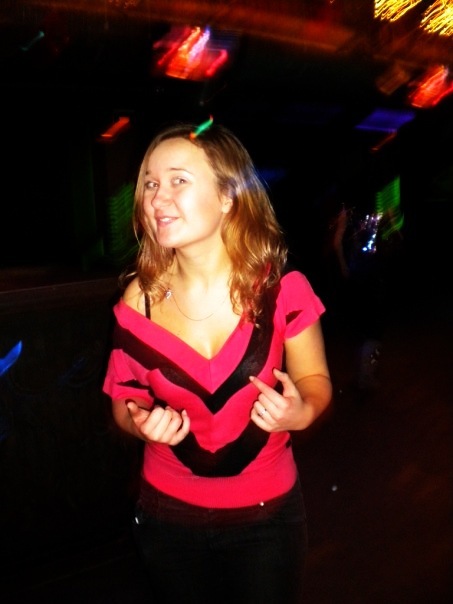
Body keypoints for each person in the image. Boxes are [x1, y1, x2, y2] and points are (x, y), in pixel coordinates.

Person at [102, 119, 332, 604]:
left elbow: (315, 379)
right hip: (167, 515)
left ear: (228, 195)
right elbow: (122, 402)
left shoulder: (282, 290)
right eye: (150, 184)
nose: (157, 198)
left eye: (178, 181)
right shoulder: (138, 301)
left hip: (267, 517)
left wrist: (302, 411)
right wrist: (142, 424)